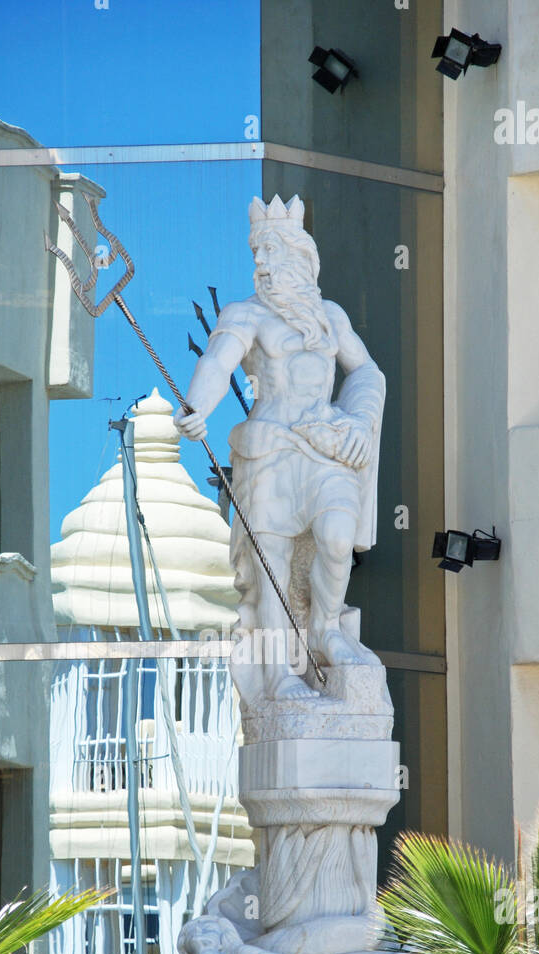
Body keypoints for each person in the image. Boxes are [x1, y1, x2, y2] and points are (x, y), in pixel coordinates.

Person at [175, 194, 386, 702]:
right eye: (256, 256)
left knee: (337, 536)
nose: (261, 265)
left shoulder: (330, 316)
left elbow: (367, 371)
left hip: (324, 447)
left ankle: (326, 630)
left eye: (269, 252)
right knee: (271, 559)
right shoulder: (245, 314)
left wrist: (359, 420)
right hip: (269, 449)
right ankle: (278, 674)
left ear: (297, 255)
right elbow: (217, 364)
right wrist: (196, 407)